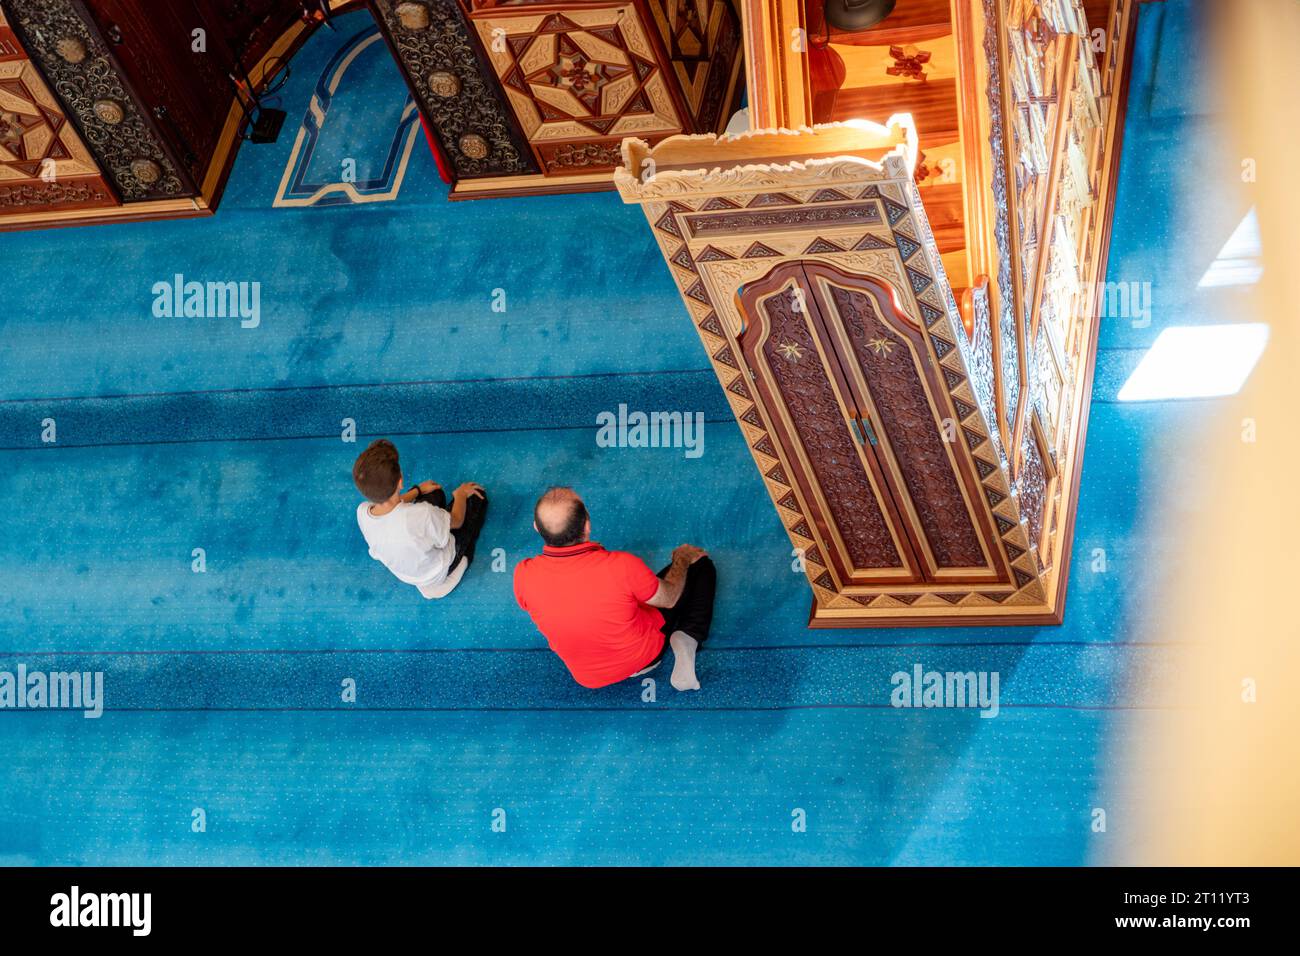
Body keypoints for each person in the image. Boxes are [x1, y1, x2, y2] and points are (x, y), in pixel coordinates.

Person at [513, 486, 716, 691]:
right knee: (699, 566)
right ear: (587, 525)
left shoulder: (523, 573)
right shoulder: (622, 566)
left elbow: (570, 597)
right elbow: (670, 598)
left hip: (587, 676)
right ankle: (689, 637)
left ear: (537, 528)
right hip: (643, 657)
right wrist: (681, 559)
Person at [352, 439, 487, 599]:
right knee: (478, 498)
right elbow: (457, 521)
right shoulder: (422, 514)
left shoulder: (362, 511)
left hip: (411, 571)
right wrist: (460, 495)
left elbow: (392, 506)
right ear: (400, 481)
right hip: (439, 569)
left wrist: (417, 491)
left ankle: (438, 527)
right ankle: (458, 564)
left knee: (433, 494)